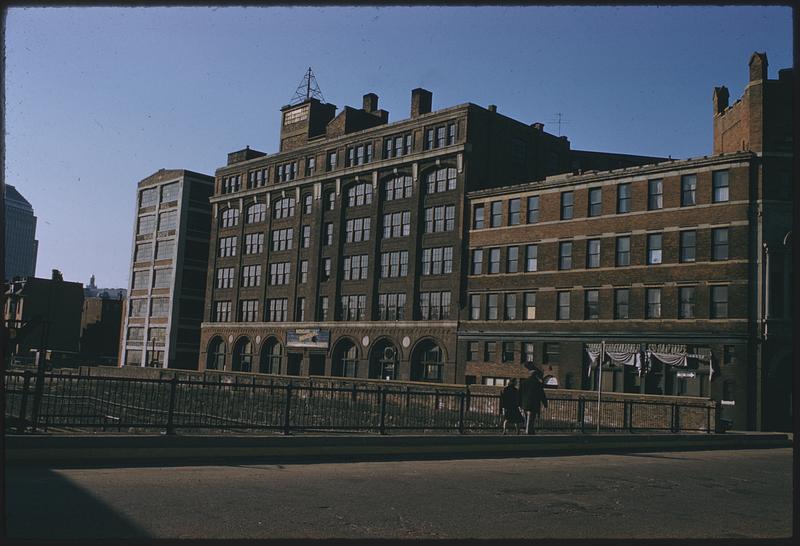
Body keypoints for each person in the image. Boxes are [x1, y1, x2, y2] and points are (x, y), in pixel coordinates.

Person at [519, 364, 548, 434]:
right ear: (535, 375)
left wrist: (519, 403)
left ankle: (529, 430)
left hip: (525, 404)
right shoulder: (537, 383)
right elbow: (541, 394)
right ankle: (529, 431)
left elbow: (519, 393)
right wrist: (545, 403)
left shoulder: (523, 382)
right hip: (533, 404)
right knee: (531, 418)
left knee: (526, 418)